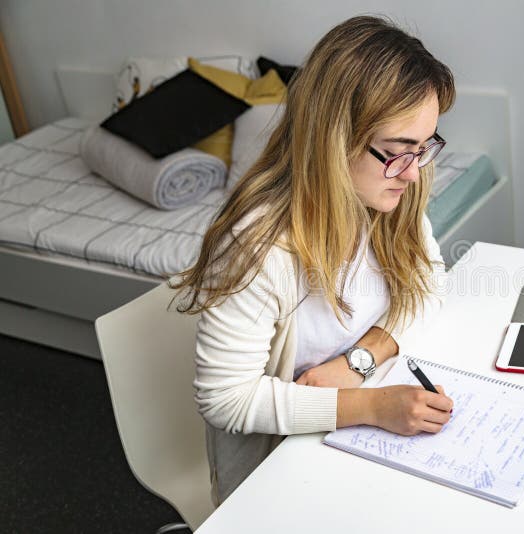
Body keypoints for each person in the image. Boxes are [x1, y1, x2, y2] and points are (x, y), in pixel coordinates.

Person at [170, 15, 455, 505]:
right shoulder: (255, 248)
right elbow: (226, 399)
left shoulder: (390, 195)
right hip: (279, 465)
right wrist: (365, 405)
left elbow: (428, 283)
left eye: (423, 147)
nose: (412, 174)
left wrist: (361, 361)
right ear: (332, 136)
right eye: (396, 151)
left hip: (359, 428)